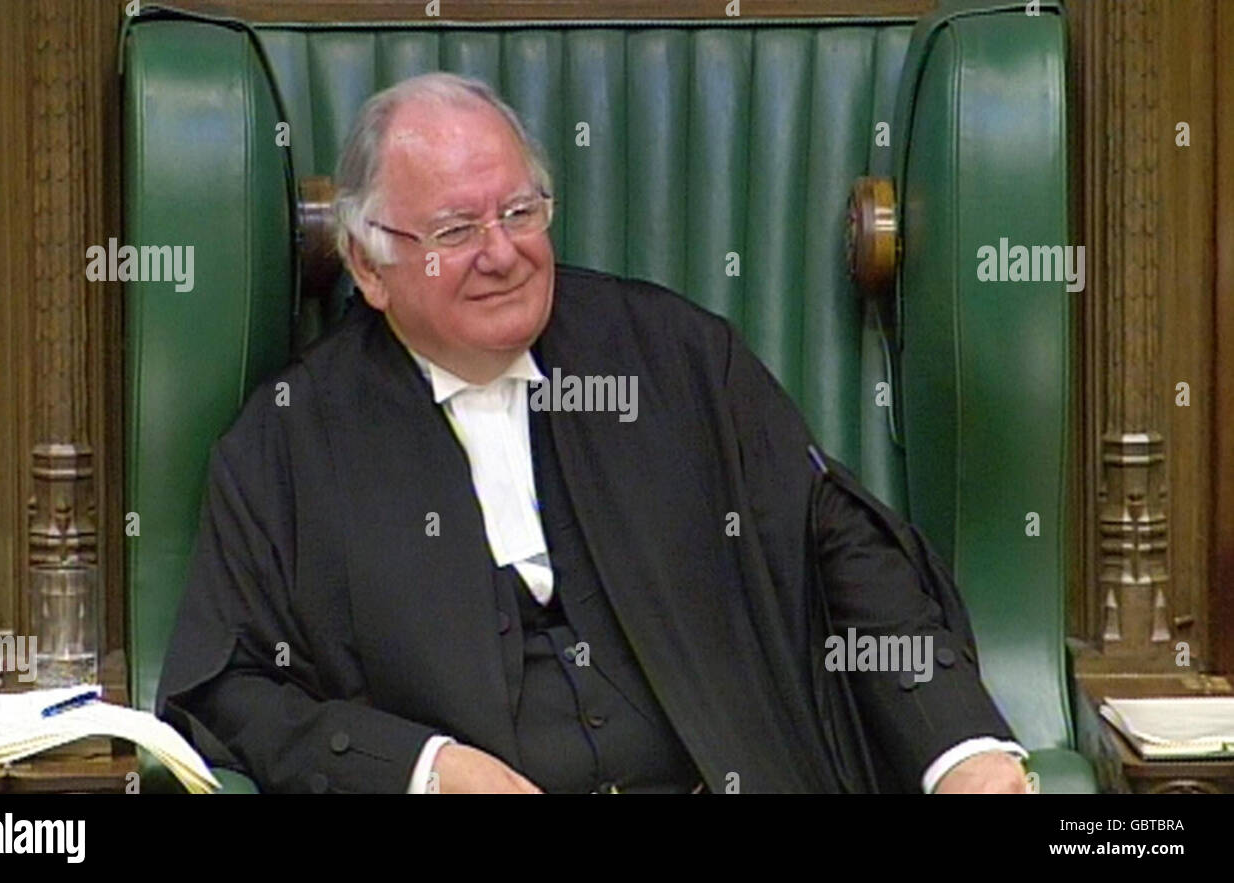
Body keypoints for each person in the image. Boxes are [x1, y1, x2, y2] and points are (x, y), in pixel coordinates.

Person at [156, 72, 1028, 794]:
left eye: (521, 213)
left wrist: (962, 749)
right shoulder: (288, 441)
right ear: (368, 264)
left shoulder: (678, 358)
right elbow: (226, 688)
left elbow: (838, 552)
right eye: (457, 231)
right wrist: (423, 769)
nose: (501, 253)